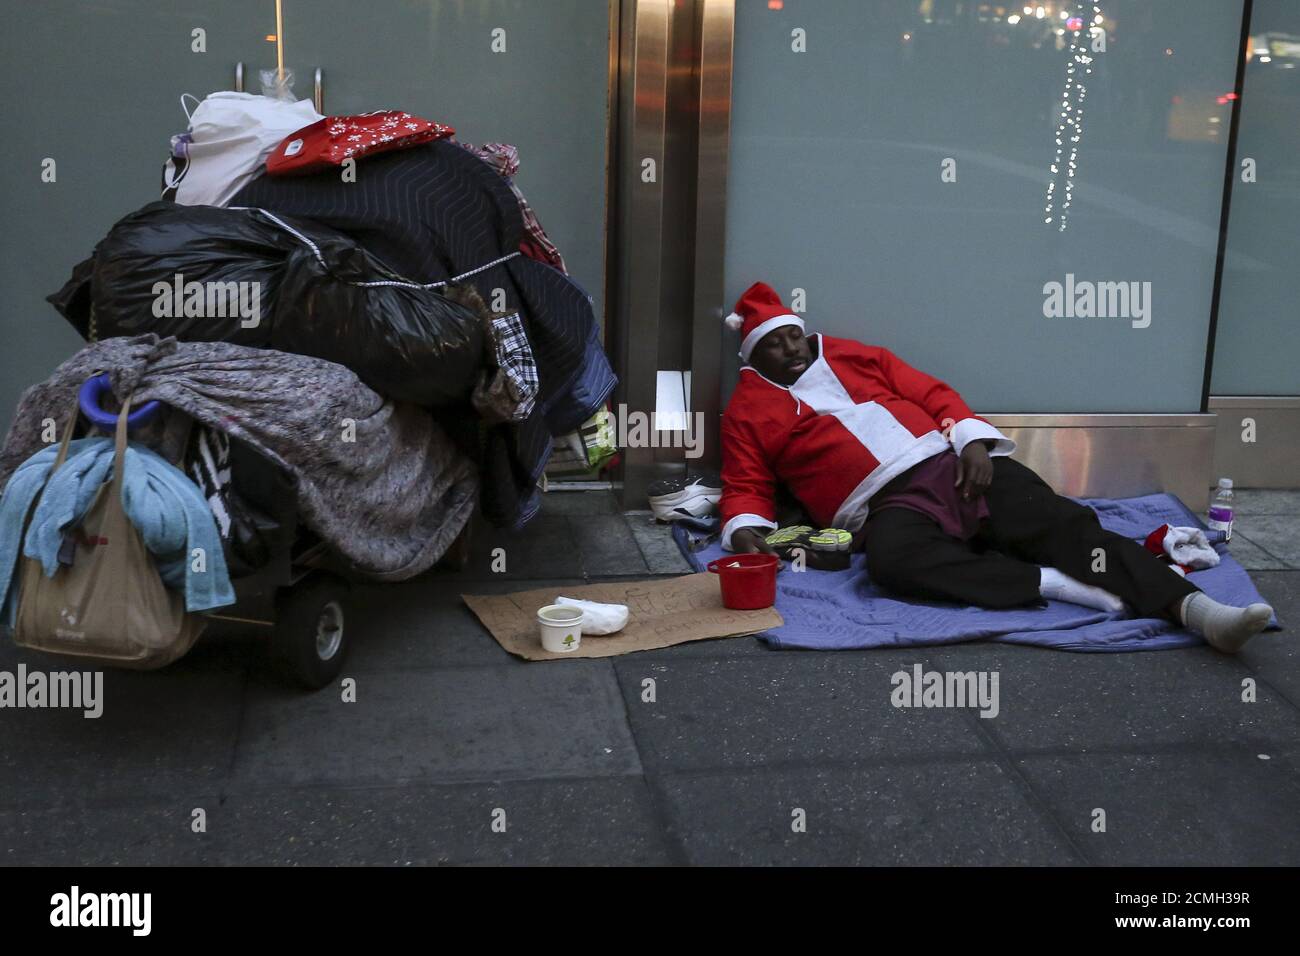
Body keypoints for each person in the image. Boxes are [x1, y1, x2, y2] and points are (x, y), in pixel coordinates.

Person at [718, 282, 1272, 654]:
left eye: (794, 334)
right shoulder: (748, 411)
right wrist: (747, 530)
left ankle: (1198, 612)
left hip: (952, 463)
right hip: (887, 503)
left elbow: (934, 395)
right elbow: (746, 486)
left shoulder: (857, 355)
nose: (793, 348)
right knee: (892, 562)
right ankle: (1047, 582)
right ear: (753, 356)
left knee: (1066, 526)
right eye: (775, 344)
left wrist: (971, 442)